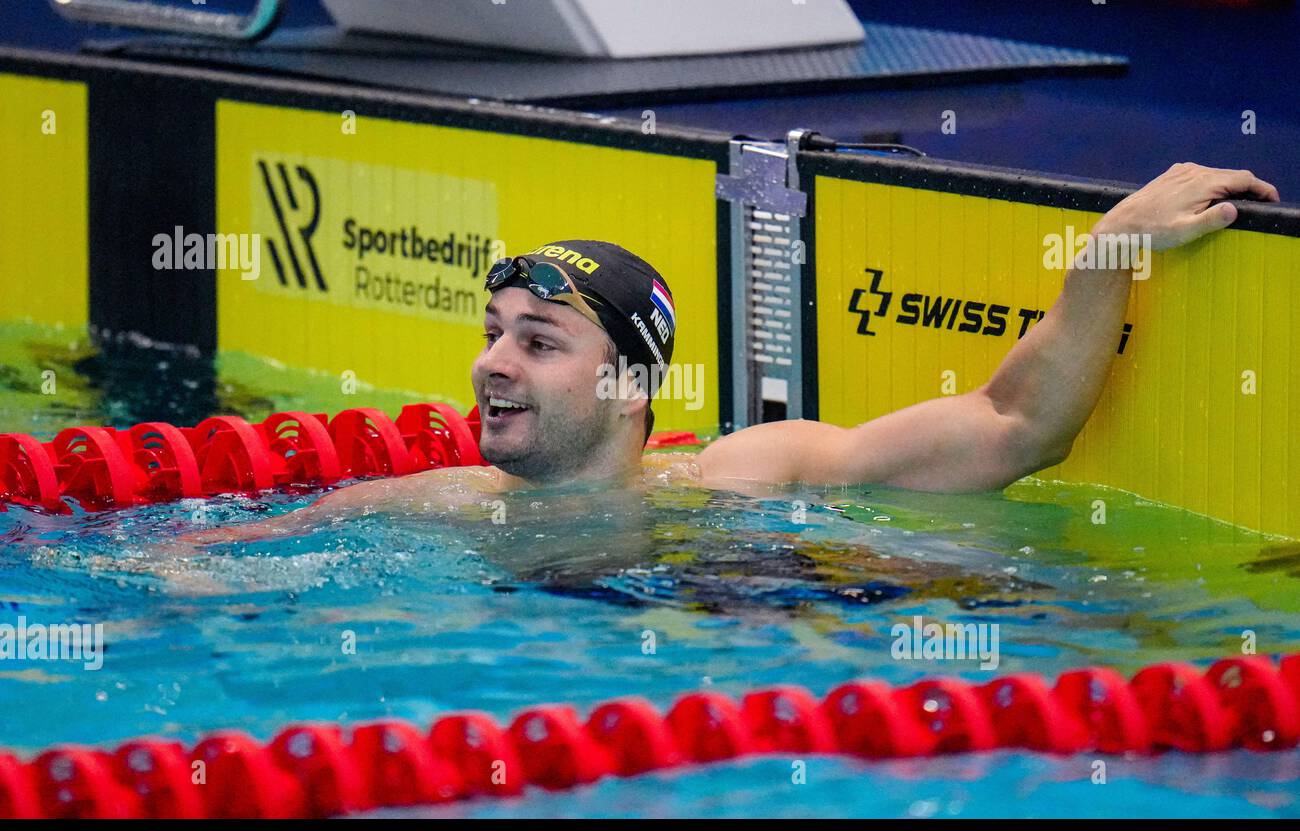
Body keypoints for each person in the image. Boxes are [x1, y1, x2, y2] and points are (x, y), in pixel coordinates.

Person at [187, 162, 1278, 545]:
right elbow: (216, 551)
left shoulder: (752, 473)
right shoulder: (428, 507)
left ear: (626, 385)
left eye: (536, 340)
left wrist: (1110, 246)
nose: (490, 364)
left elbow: (1013, 424)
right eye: (490, 336)